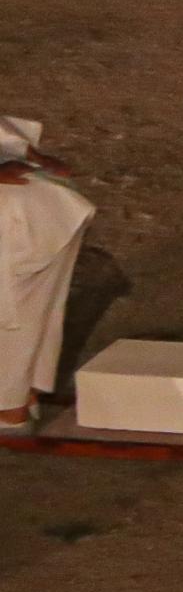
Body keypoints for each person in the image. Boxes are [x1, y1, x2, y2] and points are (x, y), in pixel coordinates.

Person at [0, 119, 96, 434]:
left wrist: (32, 157)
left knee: (19, 308)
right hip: (49, 208)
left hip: (29, 213)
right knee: (34, 306)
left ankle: (11, 410)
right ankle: (22, 399)